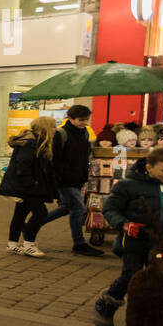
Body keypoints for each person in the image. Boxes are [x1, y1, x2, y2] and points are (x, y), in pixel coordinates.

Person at [93, 146, 163, 326]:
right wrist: (124, 224)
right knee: (132, 275)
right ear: (149, 167)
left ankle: (152, 317)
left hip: (162, 244)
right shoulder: (127, 185)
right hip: (133, 242)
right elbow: (110, 209)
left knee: (161, 279)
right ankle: (107, 304)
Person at [43, 105, 102, 256]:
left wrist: (83, 176)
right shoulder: (61, 134)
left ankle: (32, 224)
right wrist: (61, 177)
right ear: (70, 118)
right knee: (78, 209)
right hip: (64, 181)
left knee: (67, 208)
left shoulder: (84, 134)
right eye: (81, 120)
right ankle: (79, 243)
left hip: (77, 179)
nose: (84, 122)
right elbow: (54, 159)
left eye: (86, 119)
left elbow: (83, 158)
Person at [0, 115, 61, 258]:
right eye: (52, 127)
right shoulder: (30, 143)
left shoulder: (34, 141)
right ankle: (29, 244)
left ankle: (12, 244)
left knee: (20, 214)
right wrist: (32, 183)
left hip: (27, 186)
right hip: (28, 187)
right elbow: (23, 166)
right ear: (45, 128)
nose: (54, 130)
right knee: (41, 214)